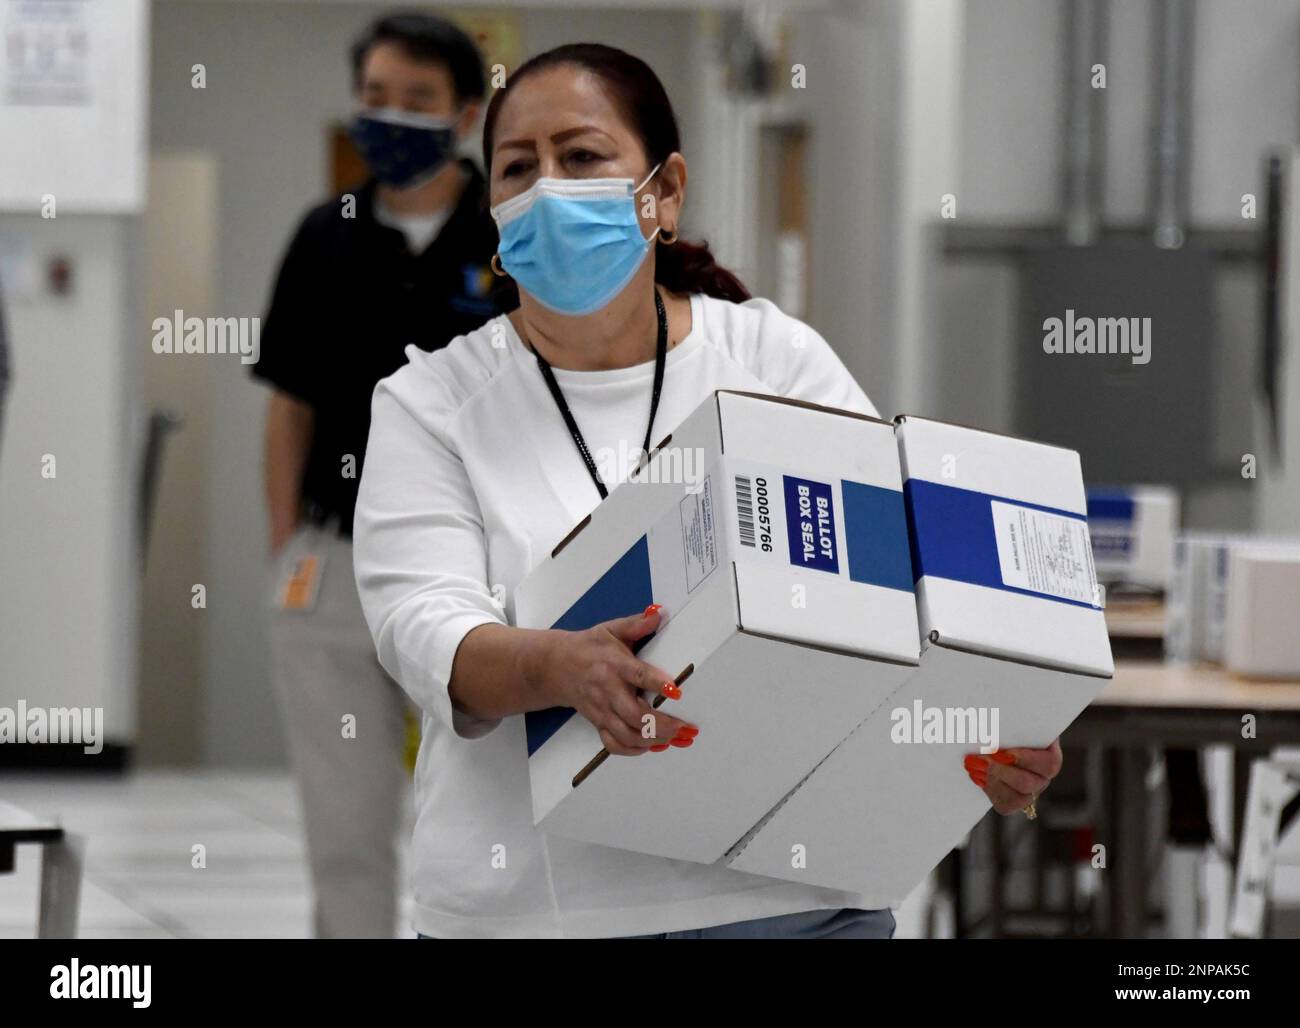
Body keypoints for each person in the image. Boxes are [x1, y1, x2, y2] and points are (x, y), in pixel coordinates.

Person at [352, 42, 1063, 939]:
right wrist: (553, 667)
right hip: (541, 913)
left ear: (665, 189)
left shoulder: (771, 360)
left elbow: (895, 583)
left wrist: (983, 726)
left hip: (797, 900)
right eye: (517, 170)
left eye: (582, 157)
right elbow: (424, 626)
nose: (549, 191)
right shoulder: (434, 403)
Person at [250, 12, 501, 938]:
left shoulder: (508, 234)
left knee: (483, 825)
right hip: (334, 565)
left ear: (467, 112)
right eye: (375, 97)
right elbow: (289, 405)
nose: (390, 117)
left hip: (477, 573)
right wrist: (288, 554)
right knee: (345, 827)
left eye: (418, 101)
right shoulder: (327, 234)